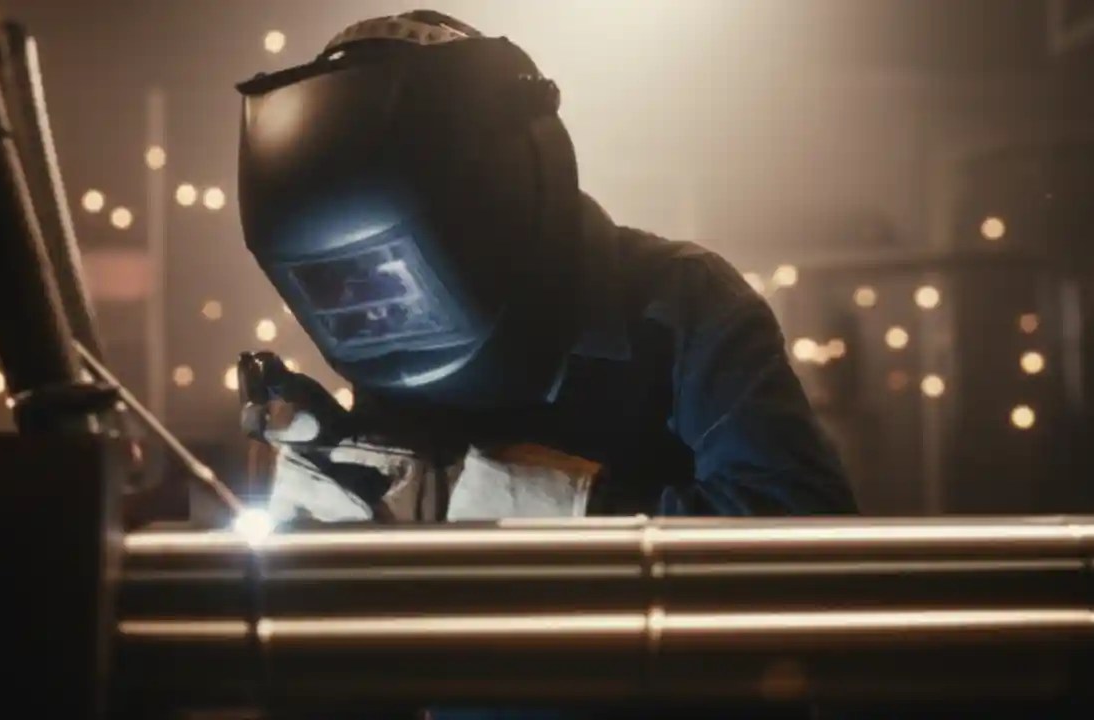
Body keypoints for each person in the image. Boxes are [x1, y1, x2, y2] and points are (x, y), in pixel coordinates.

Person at [234, 9, 856, 526]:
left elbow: (806, 535)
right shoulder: (397, 325)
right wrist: (342, 459)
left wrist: (575, 511)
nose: (374, 306)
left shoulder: (683, 303)